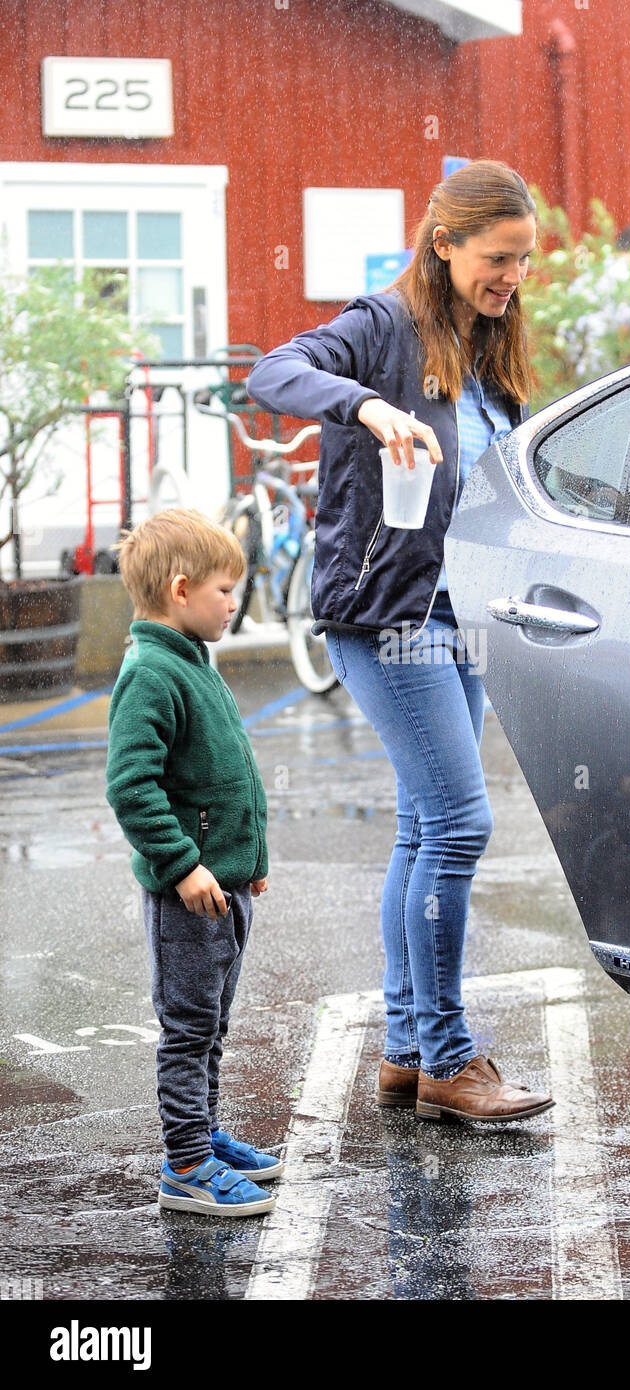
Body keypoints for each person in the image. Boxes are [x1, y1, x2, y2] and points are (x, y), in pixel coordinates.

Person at [248, 159, 554, 1123]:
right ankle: (451, 1059)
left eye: (522, 261)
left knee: (426, 826)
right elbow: (274, 371)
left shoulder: (489, 343)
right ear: (445, 243)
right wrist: (366, 404)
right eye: (498, 259)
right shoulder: (383, 326)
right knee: (460, 824)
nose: (511, 278)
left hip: (463, 617)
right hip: (387, 613)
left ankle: (407, 1048)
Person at [106, 508, 281, 1215]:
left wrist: (252, 858)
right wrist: (182, 866)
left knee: (211, 1023)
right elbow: (130, 785)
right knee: (188, 1030)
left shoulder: (191, 662)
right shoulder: (151, 673)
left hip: (225, 886)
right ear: (180, 590)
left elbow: (229, 771)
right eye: (224, 592)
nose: (233, 605)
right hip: (191, 896)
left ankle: (202, 1136)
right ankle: (185, 1166)